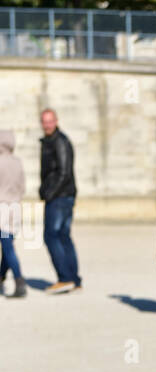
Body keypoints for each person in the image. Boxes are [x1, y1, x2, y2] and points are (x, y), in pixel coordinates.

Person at [39, 108, 81, 294]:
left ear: (56, 121)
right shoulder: (50, 141)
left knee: (51, 236)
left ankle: (65, 278)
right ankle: (74, 279)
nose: (47, 125)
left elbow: (64, 172)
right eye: (44, 121)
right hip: (63, 195)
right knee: (64, 237)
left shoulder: (60, 142)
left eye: (50, 121)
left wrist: (50, 193)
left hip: (60, 197)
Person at [0, 129, 27, 298]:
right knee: (6, 246)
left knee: (8, 248)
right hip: (15, 208)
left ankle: (19, 280)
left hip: (2, 209)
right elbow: (23, 188)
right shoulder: (17, 162)